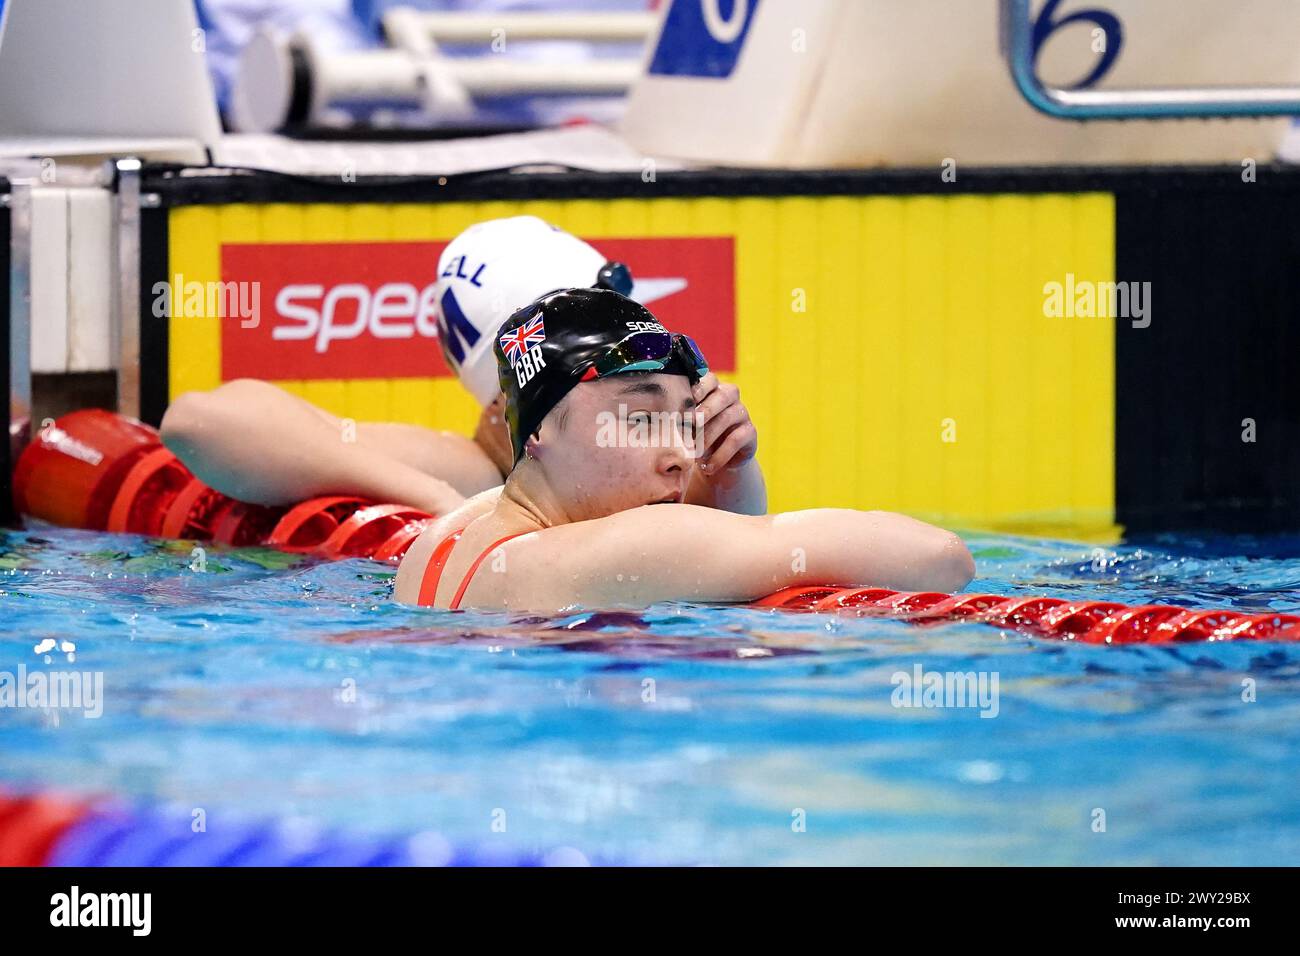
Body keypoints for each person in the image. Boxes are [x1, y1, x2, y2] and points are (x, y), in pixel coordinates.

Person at [393, 287, 974, 612]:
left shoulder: (446, 538)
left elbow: (716, 552)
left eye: (684, 424)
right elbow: (942, 557)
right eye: (639, 420)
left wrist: (729, 473)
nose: (677, 456)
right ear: (541, 429)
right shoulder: (620, 547)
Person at [160, 216, 766, 518]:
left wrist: (738, 469)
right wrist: (441, 505)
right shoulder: (465, 471)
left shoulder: (653, 460)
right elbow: (199, 422)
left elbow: (741, 542)